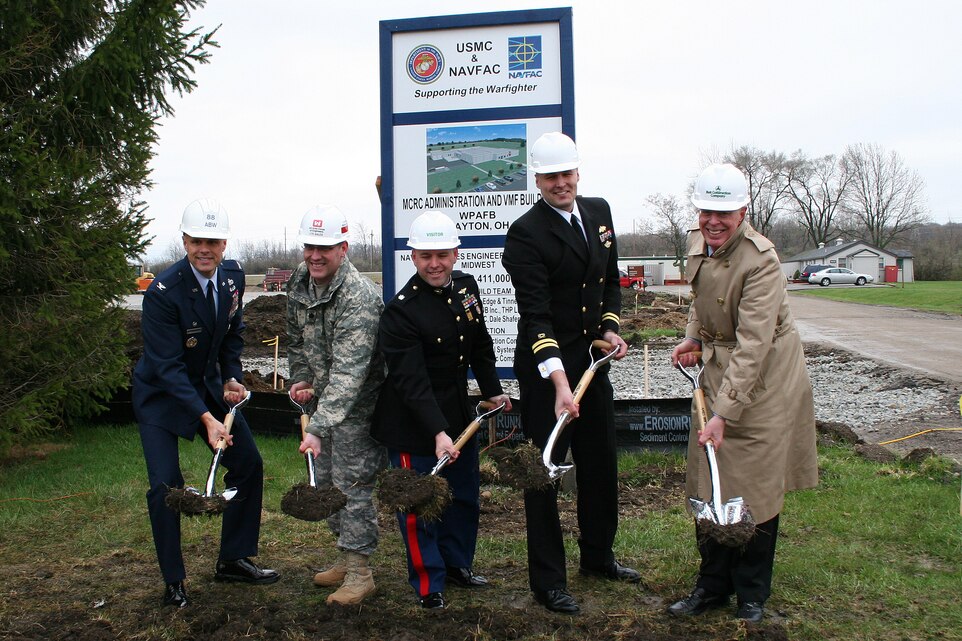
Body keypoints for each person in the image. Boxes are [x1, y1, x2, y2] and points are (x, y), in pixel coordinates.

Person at [669, 163, 818, 623]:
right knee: (710, 481)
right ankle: (711, 585)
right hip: (719, 370)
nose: (713, 221)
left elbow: (754, 346)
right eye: (706, 211)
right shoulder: (699, 243)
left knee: (754, 488)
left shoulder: (763, 261)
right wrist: (694, 337)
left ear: (743, 212)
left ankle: (751, 592)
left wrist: (723, 415)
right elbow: (701, 300)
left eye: (725, 213)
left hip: (766, 380)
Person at [502, 132, 639, 614]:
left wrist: (609, 329)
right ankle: (548, 580)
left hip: (592, 363)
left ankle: (598, 557)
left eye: (568, 174)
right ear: (537, 180)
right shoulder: (524, 234)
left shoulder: (599, 212)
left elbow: (610, 284)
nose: (561, 183)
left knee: (600, 463)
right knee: (545, 473)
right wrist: (560, 384)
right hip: (547, 371)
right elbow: (536, 316)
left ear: (578, 173)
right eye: (551, 177)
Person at [133, 199, 279, 609]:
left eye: (213, 242)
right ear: (184, 241)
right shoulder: (163, 292)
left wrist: (231, 377)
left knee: (248, 463)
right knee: (166, 484)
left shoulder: (232, 278)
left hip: (209, 388)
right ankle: (174, 581)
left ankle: (233, 558)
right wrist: (206, 419)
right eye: (197, 241)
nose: (205, 249)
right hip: (161, 396)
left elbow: (233, 333)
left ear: (224, 244)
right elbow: (166, 367)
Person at [372, 212, 512, 610]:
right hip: (410, 421)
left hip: (456, 410)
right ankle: (428, 582)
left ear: (455, 253)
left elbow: (480, 345)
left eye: (443, 255)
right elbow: (411, 382)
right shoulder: (401, 311)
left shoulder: (466, 288)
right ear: (412, 257)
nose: (435, 264)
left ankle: (457, 566)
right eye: (425, 255)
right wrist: (436, 432)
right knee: (418, 503)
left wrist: (493, 391)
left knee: (463, 493)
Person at [286, 205, 387, 606]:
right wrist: (301, 378)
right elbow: (294, 334)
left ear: (343, 248)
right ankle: (346, 557)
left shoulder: (358, 298)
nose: (315, 256)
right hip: (324, 403)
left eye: (324, 248)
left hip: (358, 407)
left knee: (353, 485)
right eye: (310, 246)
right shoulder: (300, 280)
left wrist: (316, 427)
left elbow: (349, 375)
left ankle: (361, 573)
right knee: (325, 483)